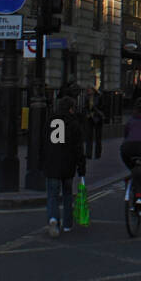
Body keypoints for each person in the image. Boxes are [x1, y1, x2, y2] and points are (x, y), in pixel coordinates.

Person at [42, 97, 86, 237]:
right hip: (68, 164)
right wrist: (81, 169)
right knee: (67, 194)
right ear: (71, 109)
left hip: (52, 163)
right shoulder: (74, 124)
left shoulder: (50, 121)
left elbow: (43, 142)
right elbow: (79, 149)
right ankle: (67, 224)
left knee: (52, 195)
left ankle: (53, 218)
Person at [83, 89, 104, 159]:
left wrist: (95, 110)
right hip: (90, 118)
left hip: (98, 118)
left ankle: (97, 154)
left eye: (89, 89)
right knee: (89, 136)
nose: (88, 90)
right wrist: (87, 114)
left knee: (98, 137)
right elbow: (85, 107)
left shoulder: (99, 97)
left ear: (93, 90)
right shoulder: (87, 97)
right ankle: (88, 154)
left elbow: (102, 107)